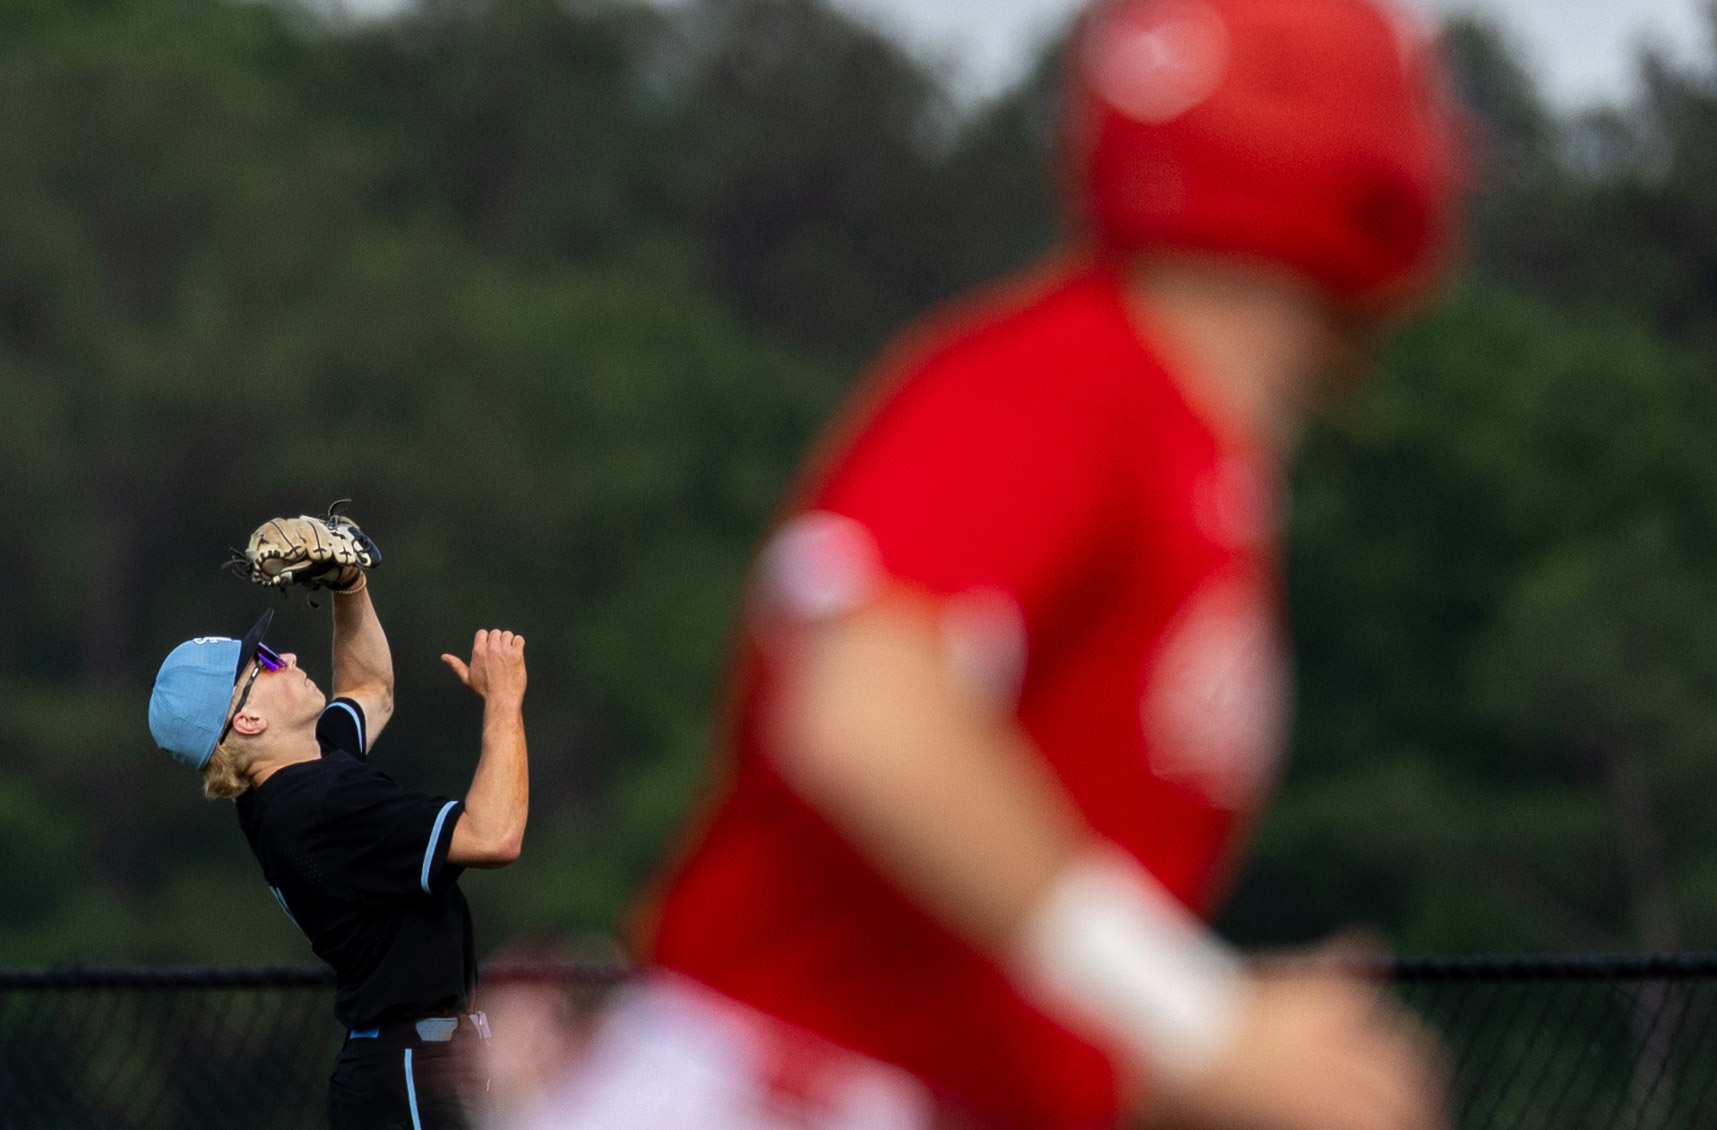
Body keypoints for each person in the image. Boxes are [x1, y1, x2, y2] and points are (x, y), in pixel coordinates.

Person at [498, 0, 1466, 1126]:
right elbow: (868, 716)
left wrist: (1229, 1045)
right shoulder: (1070, 380)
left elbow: (980, 946)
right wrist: (1198, 1017)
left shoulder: (1172, 435)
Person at [148, 563, 531, 1130]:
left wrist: (349, 586)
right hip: (411, 1073)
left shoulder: (290, 782)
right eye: (269, 663)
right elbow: (494, 835)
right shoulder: (322, 803)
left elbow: (369, 690)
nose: (291, 659)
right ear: (248, 719)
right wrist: (503, 700)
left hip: (409, 1064)